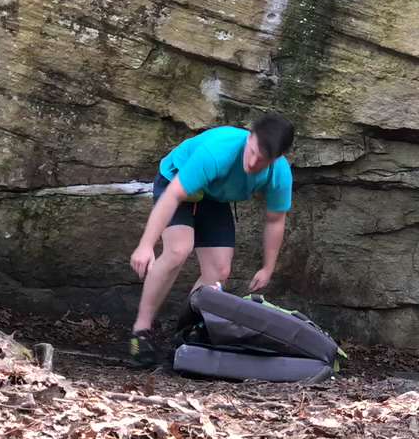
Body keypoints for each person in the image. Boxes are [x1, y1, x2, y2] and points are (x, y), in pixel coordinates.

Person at [126, 113, 295, 367]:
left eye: (262, 160)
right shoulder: (218, 151)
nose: (252, 162)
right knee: (178, 250)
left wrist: (268, 266)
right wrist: (146, 244)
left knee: (219, 271)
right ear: (249, 138)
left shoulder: (279, 173)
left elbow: (275, 219)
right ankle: (141, 331)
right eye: (251, 152)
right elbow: (173, 196)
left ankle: (184, 335)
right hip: (177, 181)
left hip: (214, 197)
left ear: (276, 158)